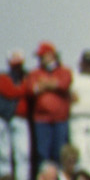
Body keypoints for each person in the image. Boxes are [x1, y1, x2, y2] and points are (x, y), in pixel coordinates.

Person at [24, 41, 72, 172]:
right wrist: (51, 84)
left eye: (43, 55)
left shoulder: (64, 71)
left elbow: (64, 84)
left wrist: (45, 84)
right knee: (42, 153)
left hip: (60, 119)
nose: (40, 59)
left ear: (51, 55)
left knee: (58, 153)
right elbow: (31, 89)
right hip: (41, 119)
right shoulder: (35, 73)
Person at [0, 51, 29, 180]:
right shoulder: (4, 77)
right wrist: (23, 88)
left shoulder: (27, 77)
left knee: (23, 154)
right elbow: (10, 92)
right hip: (5, 118)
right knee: (4, 154)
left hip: (21, 119)